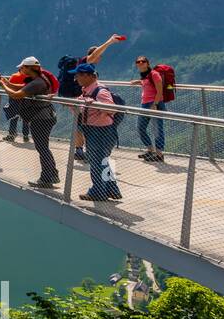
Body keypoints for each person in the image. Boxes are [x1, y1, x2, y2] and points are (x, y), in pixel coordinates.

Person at [0, 58, 59, 188]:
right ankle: (52, 174)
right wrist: (6, 82)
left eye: (23, 67)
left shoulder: (37, 82)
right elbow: (22, 87)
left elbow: (16, 95)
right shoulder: (40, 79)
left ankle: (47, 178)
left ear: (30, 68)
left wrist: (3, 86)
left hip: (40, 119)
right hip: (46, 116)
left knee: (42, 148)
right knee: (43, 147)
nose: (21, 69)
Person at [70, 34, 126, 161]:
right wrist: (110, 42)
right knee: (81, 127)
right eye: (100, 56)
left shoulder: (87, 73)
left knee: (97, 160)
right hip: (95, 123)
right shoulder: (85, 64)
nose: (100, 59)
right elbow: (94, 55)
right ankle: (93, 155)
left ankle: (88, 154)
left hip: (88, 113)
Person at [74, 62, 123, 201]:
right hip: (95, 130)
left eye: (78, 75)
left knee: (96, 162)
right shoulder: (88, 90)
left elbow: (112, 109)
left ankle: (97, 192)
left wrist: (94, 103)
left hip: (100, 131)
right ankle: (112, 190)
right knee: (102, 161)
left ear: (87, 76)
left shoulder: (100, 91)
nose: (76, 78)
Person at [135, 56, 167, 162]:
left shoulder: (154, 74)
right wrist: (138, 82)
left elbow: (160, 91)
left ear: (148, 63)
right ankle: (150, 150)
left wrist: (155, 104)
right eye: (138, 62)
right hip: (144, 104)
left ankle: (159, 154)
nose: (140, 63)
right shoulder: (144, 76)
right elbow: (146, 83)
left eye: (143, 61)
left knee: (157, 129)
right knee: (140, 127)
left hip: (155, 104)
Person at [2, 70, 31, 143]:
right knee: (25, 118)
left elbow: (9, 87)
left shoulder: (14, 76)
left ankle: (11, 135)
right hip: (26, 99)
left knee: (13, 117)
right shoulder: (29, 77)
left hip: (15, 99)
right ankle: (26, 136)